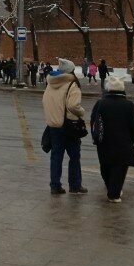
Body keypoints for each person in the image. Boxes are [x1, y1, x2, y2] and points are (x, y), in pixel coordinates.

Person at [90, 76, 134, 203]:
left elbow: (93, 122)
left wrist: (95, 137)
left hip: (103, 142)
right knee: (120, 167)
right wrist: (133, 139)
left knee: (105, 165)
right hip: (123, 142)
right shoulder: (129, 105)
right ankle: (114, 193)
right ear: (122, 89)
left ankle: (111, 187)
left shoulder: (100, 103)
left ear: (108, 89)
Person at [42, 58, 88, 196]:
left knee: (56, 156)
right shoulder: (71, 84)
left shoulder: (50, 82)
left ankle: (55, 186)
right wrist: (82, 112)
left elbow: (44, 101)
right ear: (71, 71)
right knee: (74, 156)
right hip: (69, 125)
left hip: (53, 125)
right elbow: (73, 105)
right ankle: (75, 185)